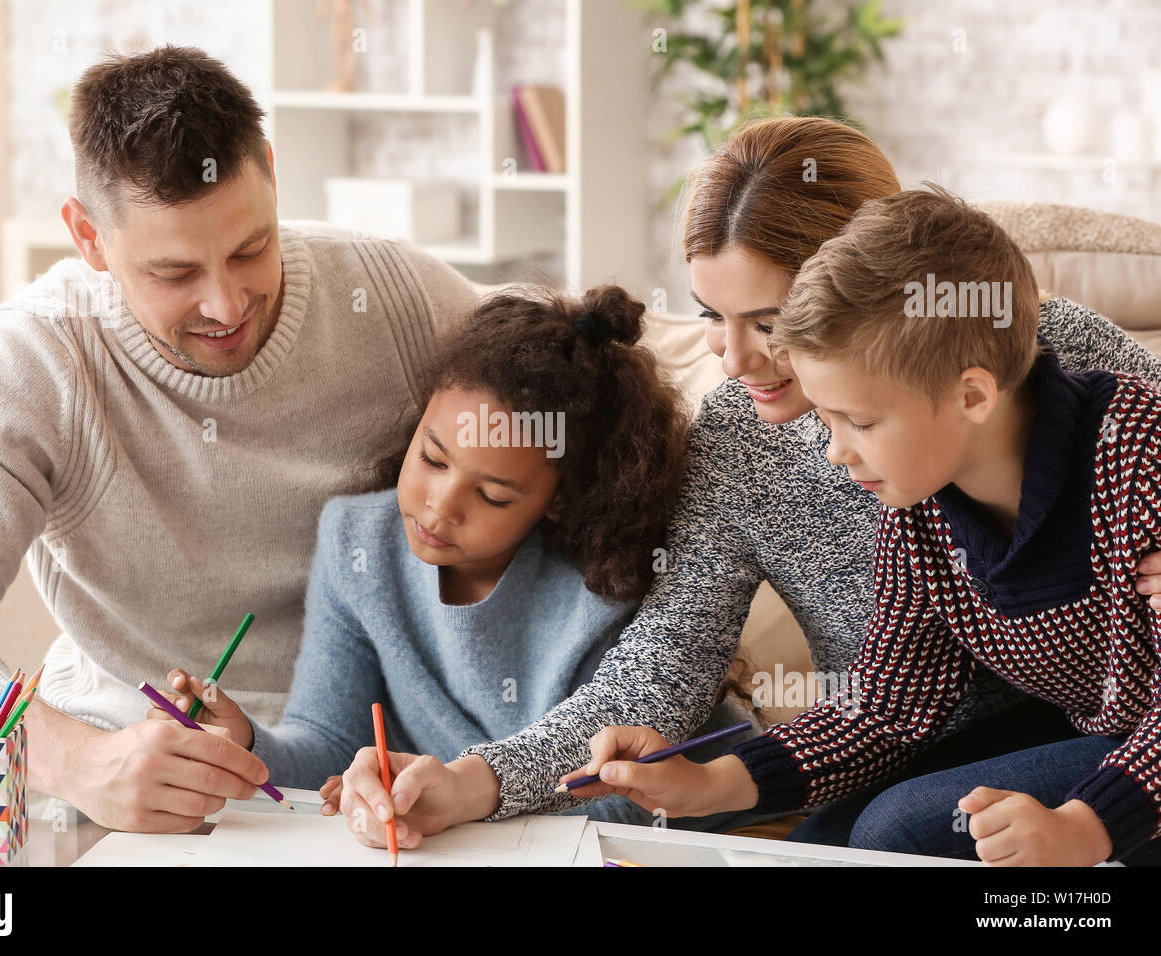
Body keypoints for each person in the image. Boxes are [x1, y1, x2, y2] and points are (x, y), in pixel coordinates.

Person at [326, 116, 1161, 853]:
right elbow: (667, 666)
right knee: (832, 844)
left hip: (1098, 725)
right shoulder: (789, 457)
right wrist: (479, 781)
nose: (733, 359)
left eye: (769, 323)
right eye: (709, 317)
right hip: (890, 735)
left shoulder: (1048, 361)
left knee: (893, 831)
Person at [0, 45, 480, 829]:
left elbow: (579, 371)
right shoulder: (38, 356)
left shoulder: (392, 299)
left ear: (273, 179)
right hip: (107, 760)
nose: (227, 304)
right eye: (174, 273)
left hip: (358, 771)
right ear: (89, 238)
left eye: (252, 247)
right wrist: (72, 758)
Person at [573, 187, 1161, 865]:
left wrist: (1089, 825)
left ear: (973, 394)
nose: (836, 450)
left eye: (862, 422)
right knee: (821, 852)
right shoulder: (919, 507)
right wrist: (707, 785)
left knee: (898, 830)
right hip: (1104, 735)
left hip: (1136, 750)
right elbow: (888, 707)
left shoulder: (1137, 456)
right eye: (829, 419)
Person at [147, 285, 693, 827]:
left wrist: (456, 800)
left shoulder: (603, 586)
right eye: (433, 458)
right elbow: (330, 741)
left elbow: (626, 795)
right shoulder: (359, 544)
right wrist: (242, 740)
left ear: (558, 501)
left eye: (492, 496)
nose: (439, 508)